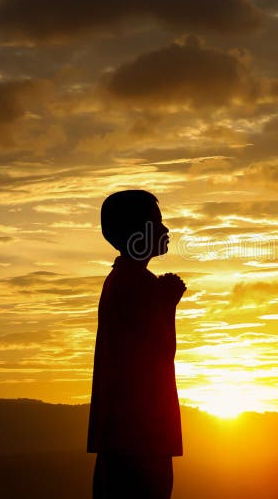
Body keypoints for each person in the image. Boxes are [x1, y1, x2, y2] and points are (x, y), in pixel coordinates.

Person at [88, 189, 186, 499]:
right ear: (135, 232)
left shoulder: (120, 279)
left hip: (122, 433)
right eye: (156, 223)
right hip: (142, 434)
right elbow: (159, 354)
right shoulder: (139, 284)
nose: (165, 229)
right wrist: (168, 304)